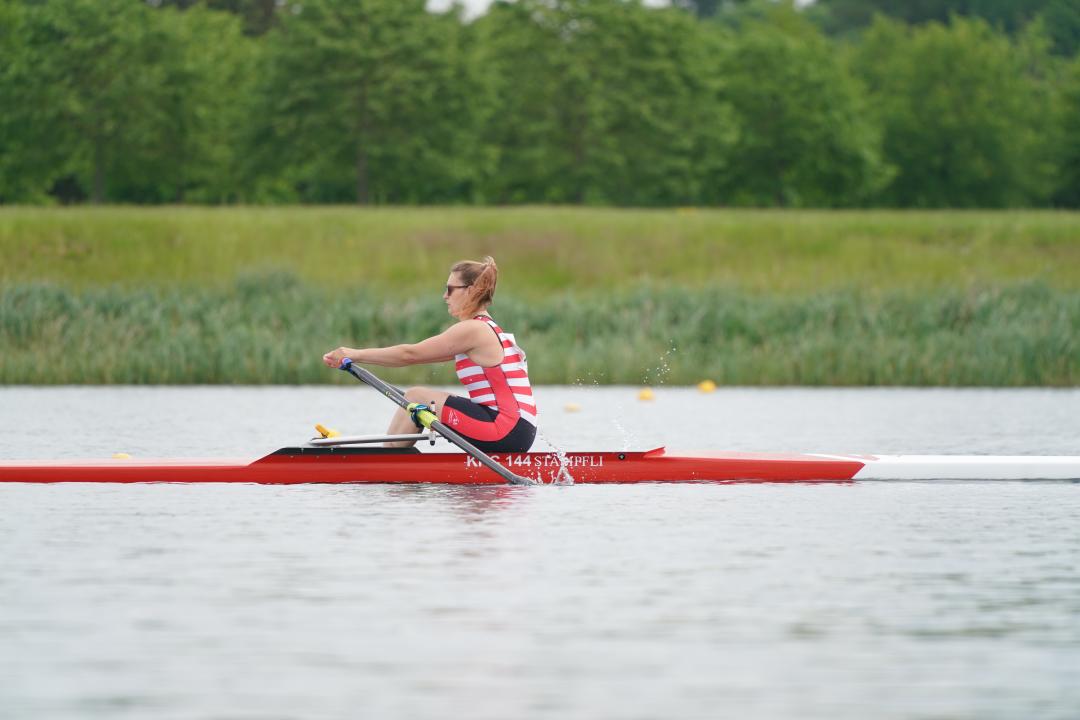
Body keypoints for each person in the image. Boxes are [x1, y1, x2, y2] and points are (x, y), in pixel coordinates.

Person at [322, 256, 537, 451]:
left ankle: (385, 461)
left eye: (450, 289)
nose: (445, 296)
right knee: (414, 399)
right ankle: (390, 457)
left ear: (471, 290)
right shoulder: (486, 328)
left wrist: (354, 354)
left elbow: (409, 354)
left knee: (416, 397)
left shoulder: (474, 329)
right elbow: (413, 358)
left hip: (506, 428)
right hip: (517, 429)